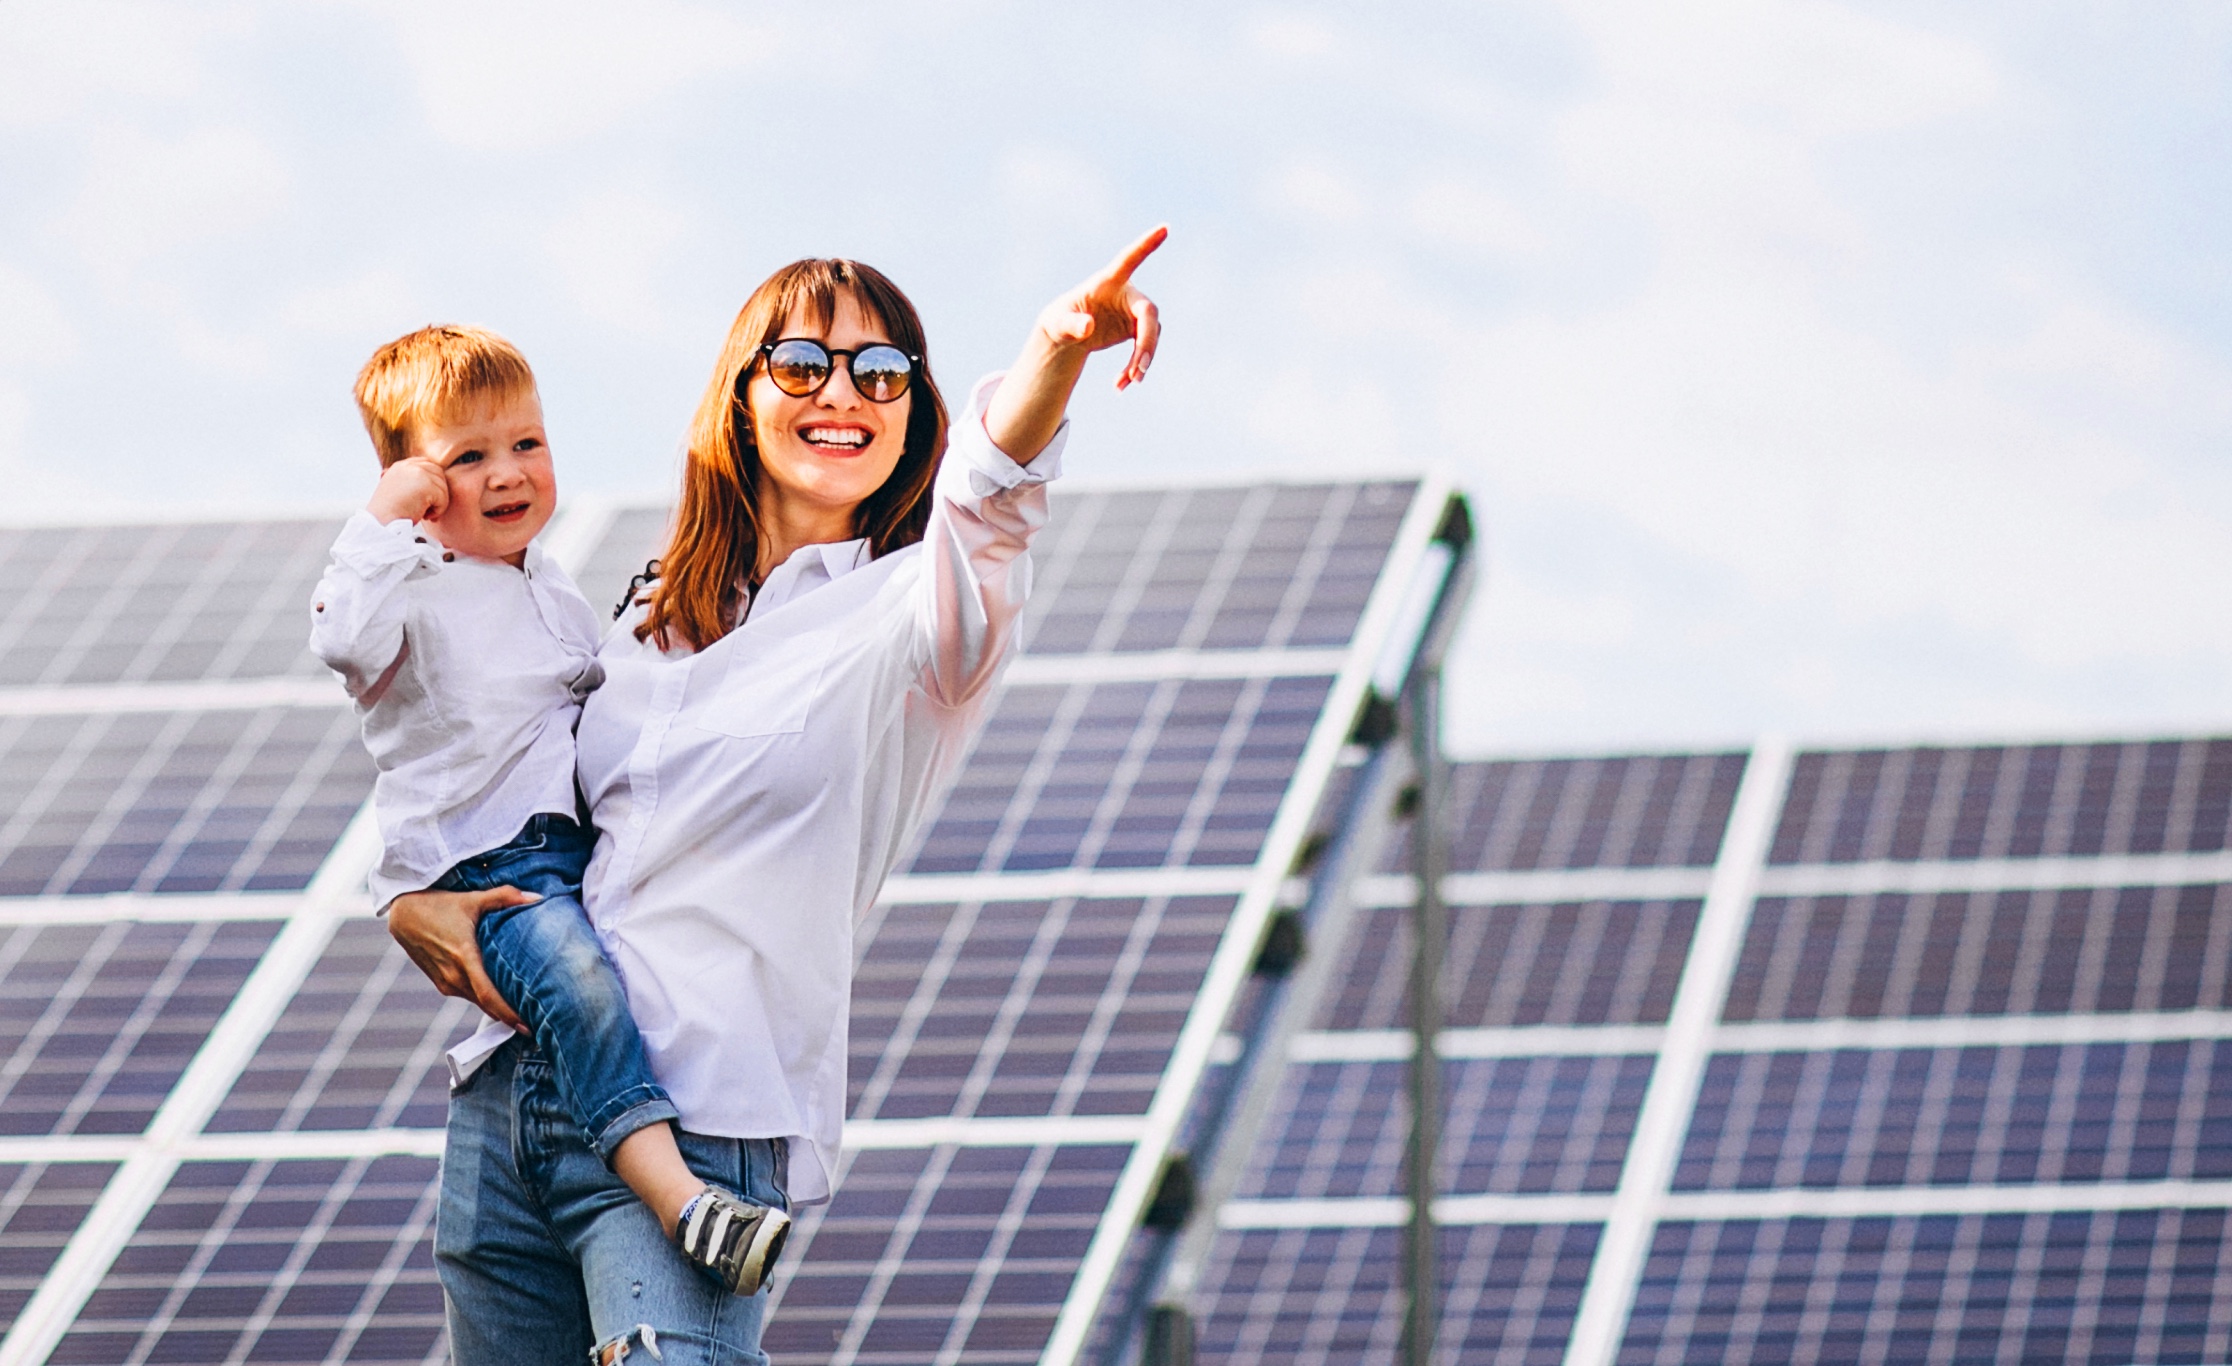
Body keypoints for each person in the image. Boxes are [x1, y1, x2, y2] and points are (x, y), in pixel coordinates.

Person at [387, 228, 1167, 1366]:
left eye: (882, 371)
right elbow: (502, 788)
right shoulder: (640, 616)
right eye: (803, 363)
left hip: (703, 1114)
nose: (842, 391)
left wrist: (1055, 350)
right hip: (516, 1097)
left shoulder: (916, 620)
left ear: (914, 412)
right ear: (743, 397)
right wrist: (415, 903)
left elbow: (993, 502)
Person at [311, 325, 788, 1299]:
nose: (508, 473)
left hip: (568, 856)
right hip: (489, 871)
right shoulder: (409, 588)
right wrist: (381, 522)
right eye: (468, 457)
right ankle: (681, 1200)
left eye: (526, 443)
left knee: (615, 980)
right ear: (415, 482)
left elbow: (606, 701)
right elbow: (344, 643)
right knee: (582, 991)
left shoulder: (551, 585)